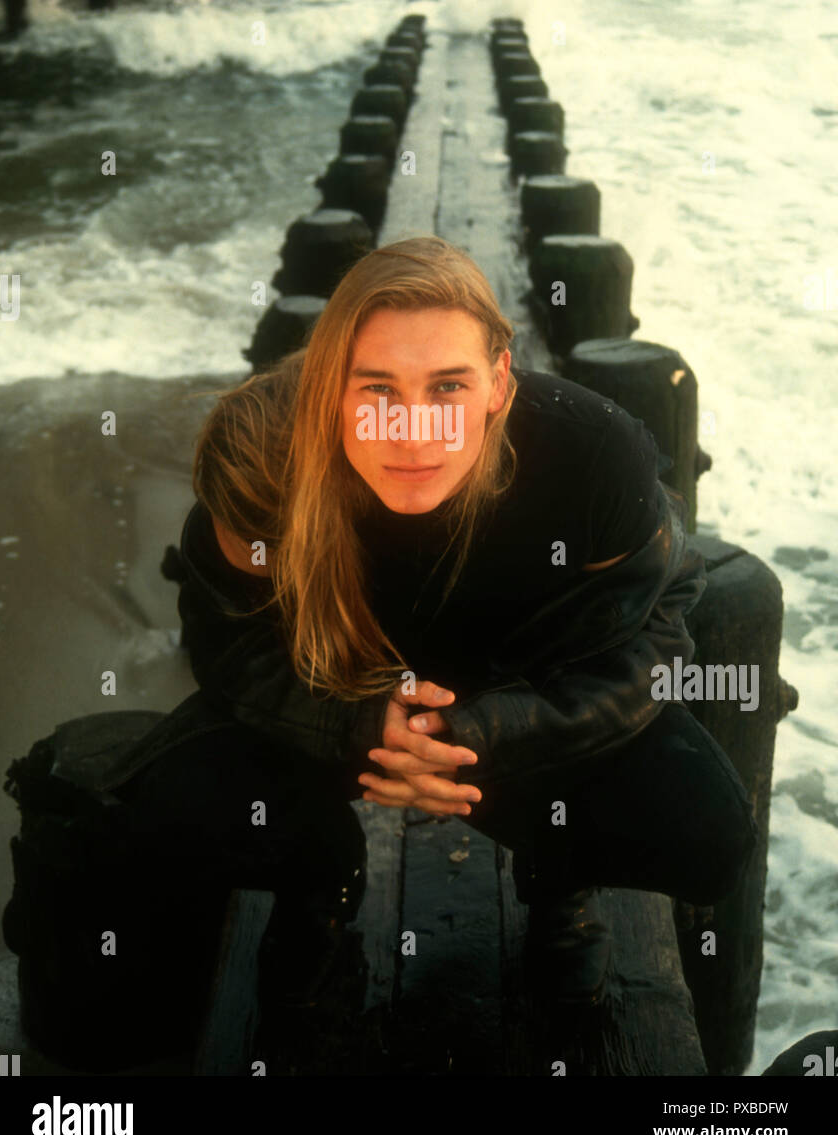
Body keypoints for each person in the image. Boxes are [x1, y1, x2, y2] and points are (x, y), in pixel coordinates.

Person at [98, 235, 757, 1019]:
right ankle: (321, 884)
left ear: (498, 385)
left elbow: (652, 637)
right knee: (166, 806)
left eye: (448, 386)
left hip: (517, 702)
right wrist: (357, 728)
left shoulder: (594, 454)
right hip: (342, 700)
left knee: (706, 834)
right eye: (376, 388)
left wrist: (493, 732)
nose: (413, 433)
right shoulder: (261, 460)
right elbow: (226, 641)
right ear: (327, 390)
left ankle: (559, 886)